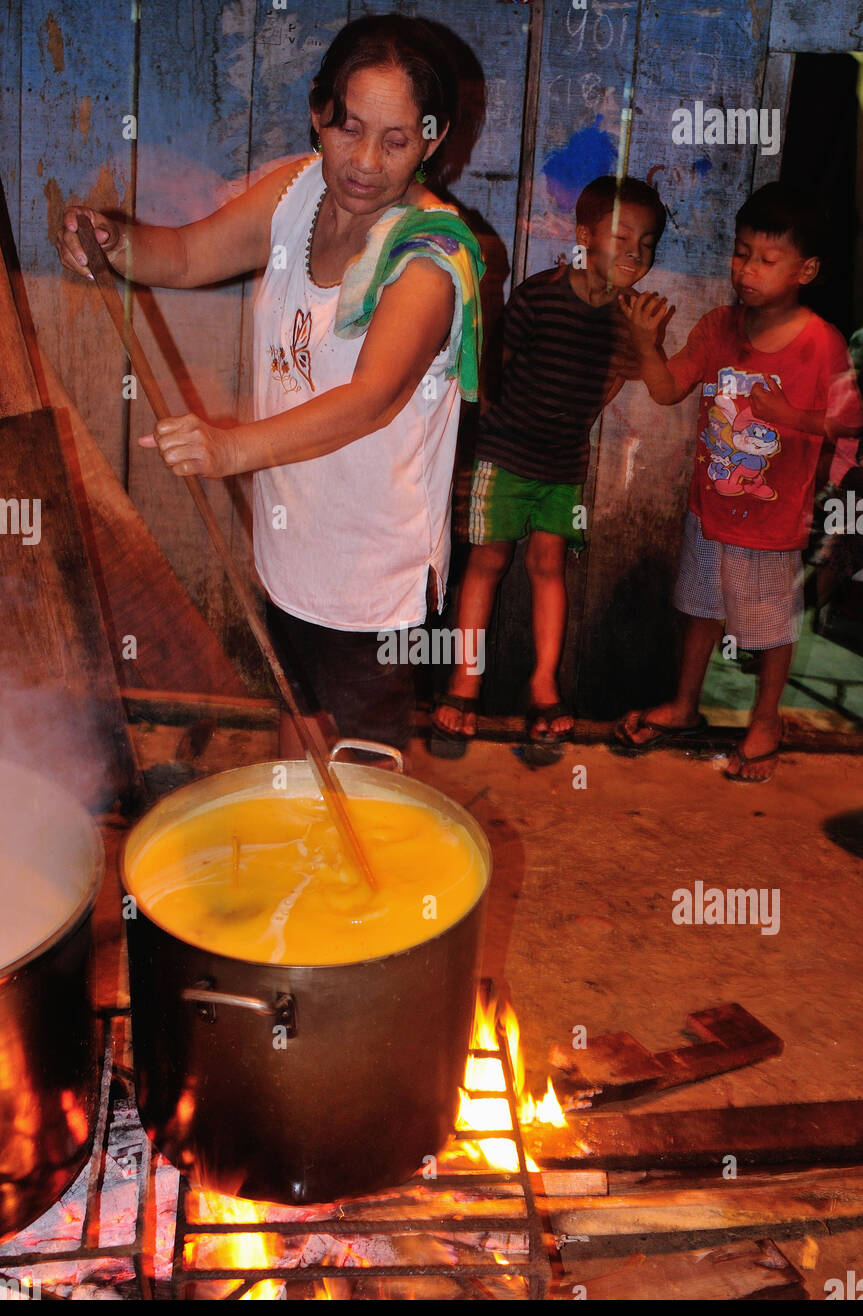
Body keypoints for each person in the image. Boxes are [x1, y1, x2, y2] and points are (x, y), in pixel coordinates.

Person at [56, 13, 484, 758]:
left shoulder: (427, 255)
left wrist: (230, 450)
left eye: (397, 140)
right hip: (293, 548)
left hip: (371, 577)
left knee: (360, 778)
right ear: (319, 115)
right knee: (296, 741)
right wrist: (115, 240)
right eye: (348, 128)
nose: (365, 161)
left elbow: (372, 396)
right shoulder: (296, 193)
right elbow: (186, 254)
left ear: (432, 139)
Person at [616, 182, 863, 781]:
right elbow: (669, 387)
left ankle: (766, 719)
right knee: (700, 609)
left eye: (766, 259)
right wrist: (646, 345)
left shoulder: (821, 343)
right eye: (741, 252)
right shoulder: (719, 325)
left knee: (772, 626)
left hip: (773, 521)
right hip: (710, 508)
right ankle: (683, 704)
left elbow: (850, 423)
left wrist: (791, 419)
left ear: (805, 269)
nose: (747, 269)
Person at [429, 175, 667, 759]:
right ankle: (465, 684)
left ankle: (543, 687)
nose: (636, 251)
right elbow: (498, 365)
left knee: (548, 567)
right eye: (622, 236)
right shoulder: (538, 295)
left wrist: (643, 340)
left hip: (564, 466)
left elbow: (625, 379)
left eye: (648, 241)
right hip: (506, 455)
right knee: (486, 562)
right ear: (584, 237)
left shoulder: (628, 317)